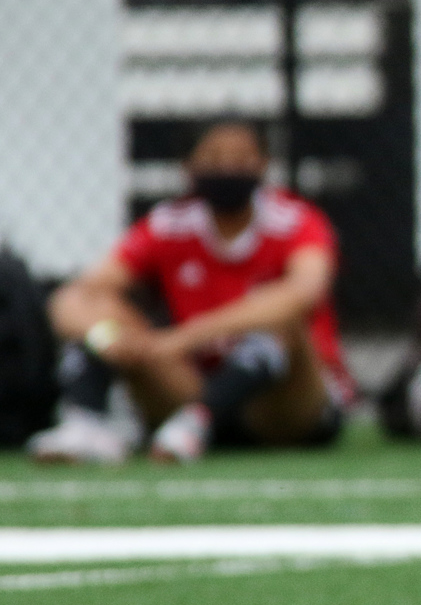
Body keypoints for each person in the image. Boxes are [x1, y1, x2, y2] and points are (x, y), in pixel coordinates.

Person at [29, 120, 351, 465]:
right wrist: (110, 337)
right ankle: (86, 425)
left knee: (282, 322)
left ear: (263, 164)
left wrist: (185, 338)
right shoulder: (168, 225)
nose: (228, 168)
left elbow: (304, 292)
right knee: (105, 319)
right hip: (188, 389)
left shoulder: (298, 222)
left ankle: (201, 418)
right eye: (214, 157)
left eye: (242, 157)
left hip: (283, 406)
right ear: (188, 166)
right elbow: (74, 299)